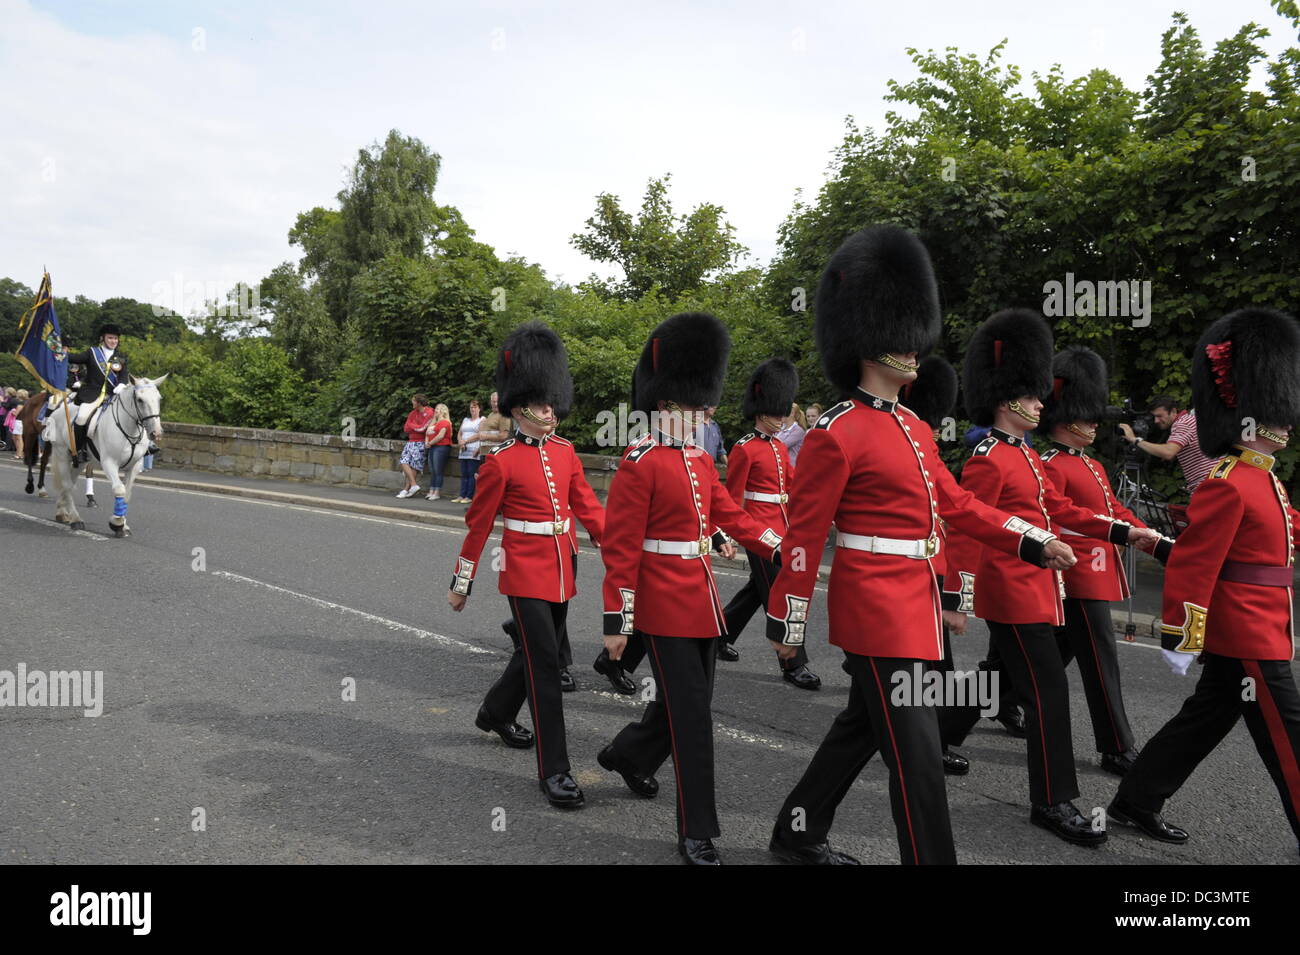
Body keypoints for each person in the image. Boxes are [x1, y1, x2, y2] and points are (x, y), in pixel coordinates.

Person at [765, 226, 1086, 866]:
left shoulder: (911, 425)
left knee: (860, 728)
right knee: (918, 760)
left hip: (915, 603)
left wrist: (1031, 539)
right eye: (898, 333)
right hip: (874, 607)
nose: (913, 347)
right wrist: (788, 619)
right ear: (863, 341)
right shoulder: (836, 431)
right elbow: (803, 535)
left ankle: (795, 832)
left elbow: (959, 505)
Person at [942, 309, 1160, 848]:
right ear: (1007, 398)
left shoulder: (1030, 457)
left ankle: (942, 733)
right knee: (1048, 694)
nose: (1043, 403)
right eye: (1033, 395)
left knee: (1010, 681)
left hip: (1044, 590)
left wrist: (1120, 532)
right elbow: (966, 529)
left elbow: (1060, 509)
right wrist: (958, 597)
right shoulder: (989, 457)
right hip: (1012, 592)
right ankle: (1053, 801)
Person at [1109, 307, 1300, 850]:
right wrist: (1180, 632)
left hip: (1263, 625)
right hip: (1247, 632)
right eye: (1279, 411)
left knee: (1206, 718)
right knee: (1289, 735)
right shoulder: (1229, 480)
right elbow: (1196, 561)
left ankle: (1136, 799)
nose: (1288, 421)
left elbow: (1287, 535)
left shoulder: (1265, 480)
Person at [598, 311, 784, 865]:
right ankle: (697, 830)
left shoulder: (701, 460)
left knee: (689, 704)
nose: (706, 414)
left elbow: (733, 516)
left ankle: (629, 755)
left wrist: (785, 544)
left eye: (706, 406)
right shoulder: (640, 463)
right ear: (665, 405)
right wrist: (617, 622)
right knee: (694, 718)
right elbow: (621, 549)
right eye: (697, 406)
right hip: (661, 604)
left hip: (701, 599)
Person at [448, 322, 605, 810]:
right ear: (520, 408)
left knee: (536, 655)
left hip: (563, 566)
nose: (550, 410)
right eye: (541, 404)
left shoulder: (565, 452)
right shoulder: (501, 462)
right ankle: (556, 770)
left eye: (552, 402)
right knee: (547, 666)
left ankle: (495, 711)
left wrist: (624, 552)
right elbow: (477, 527)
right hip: (524, 570)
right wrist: (462, 582)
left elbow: (590, 510)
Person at [1039, 347, 1172, 776]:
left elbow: (1114, 510)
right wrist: (1122, 531)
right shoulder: (1050, 464)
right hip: (1074, 571)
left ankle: (990, 702)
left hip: (1098, 568)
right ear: (1066, 417)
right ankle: (1116, 745)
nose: (1096, 423)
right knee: (1101, 654)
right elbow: (1062, 514)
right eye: (1089, 416)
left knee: (1046, 656)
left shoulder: (1092, 464)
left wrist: (1154, 540)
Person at [717, 359, 821, 689]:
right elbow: (732, 500)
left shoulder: (777, 447)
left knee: (755, 592)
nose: (782, 419)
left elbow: (794, 487)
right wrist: (730, 535)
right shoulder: (744, 449)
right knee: (779, 593)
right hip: (757, 532)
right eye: (777, 413)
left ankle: (717, 636)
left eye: (783, 413)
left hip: (782, 527)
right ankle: (792, 663)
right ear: (762, 412)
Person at [66, 323, 155, 465]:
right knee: (82, 417)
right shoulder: (92, 352)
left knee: (138, 412)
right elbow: (75, 358)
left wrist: (121, 383)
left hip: (114, 395)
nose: (113, 341)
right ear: (103, 338)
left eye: (115, 339)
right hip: (93, 395)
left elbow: (124, 374)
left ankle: (147, 446)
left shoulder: (120, 357)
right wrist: (60, 353)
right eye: (110, 338)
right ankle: (78, 449)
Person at [1118, 396, 1216, 496]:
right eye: (1154, 417)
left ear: (1173, 411)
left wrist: (1134, 440)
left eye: (1159, 416)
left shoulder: (1182, 424)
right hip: (1213, 482)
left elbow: (1168, 453)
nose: (1156, 421)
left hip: (1209, 487)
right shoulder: (1189, 420)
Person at [396, 394, 434, 499]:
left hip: (421, 442)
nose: (412, 403)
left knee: (414, 466)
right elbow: (406, 428)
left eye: (413, 401)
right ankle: (413, 485)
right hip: (411, 441)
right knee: (404, 461)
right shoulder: (413, 413)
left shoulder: (430, 413)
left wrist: (413, 426)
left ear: (419, 403)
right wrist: (415, 427)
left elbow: (423, 429)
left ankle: (406, 489)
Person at [453, 400, 485, 503]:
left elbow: (480, 434)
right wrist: (460, 442)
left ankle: (469, 496)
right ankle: (461, 495)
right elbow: (459, 433)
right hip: (463, 449)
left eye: (475, 407)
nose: (473, 409)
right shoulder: (465, 420)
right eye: (471, 407)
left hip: (474, 449)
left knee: (471, 473)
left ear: (479, 409)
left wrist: (466, 441)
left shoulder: (482, 420)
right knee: (464, 473)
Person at [423, 404, 453, 500]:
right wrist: (427, 442)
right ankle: (431, 490)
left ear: (443, 411)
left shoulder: (445, 422)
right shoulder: (433, 423)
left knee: (438, 470)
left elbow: (440, 436)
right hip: (432, 447)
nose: (435, 410)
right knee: (432, 470)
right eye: (435, 409)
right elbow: (427, 433)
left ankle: (437, 492)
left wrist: (430, 443)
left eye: (438, 409)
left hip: (441, 447)